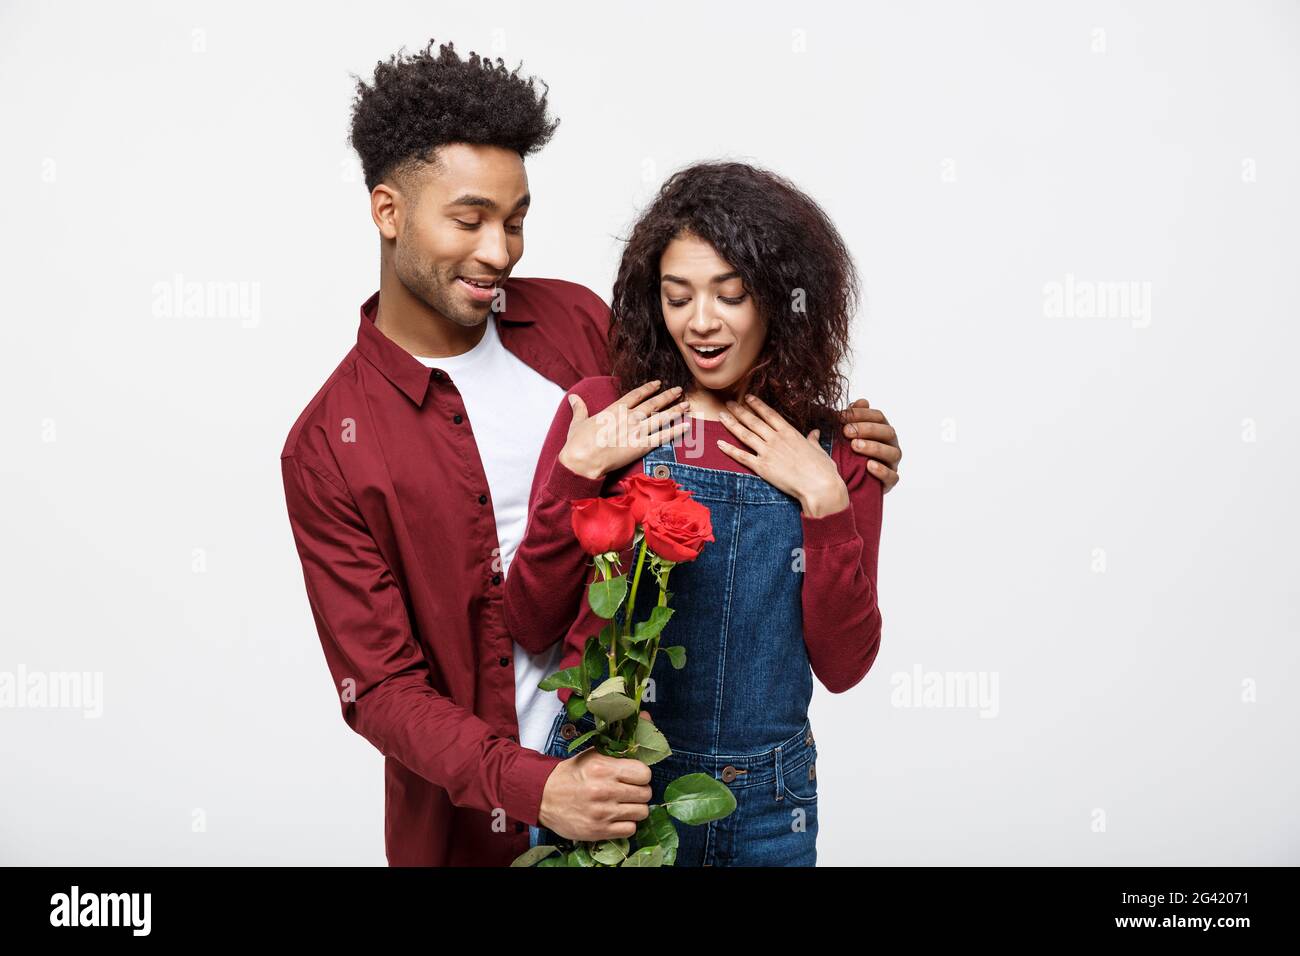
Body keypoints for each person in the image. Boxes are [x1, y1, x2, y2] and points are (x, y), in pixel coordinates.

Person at [281, 41, 903, 867]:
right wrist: (538, 787)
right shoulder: (328, 448)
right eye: (469, 220)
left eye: (517, 218)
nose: (501, 251)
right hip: (487, 819)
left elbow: (713, 391)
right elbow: (384, 691)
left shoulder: (574, 325)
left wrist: (843, 446)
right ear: (388, 211)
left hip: (683, 783)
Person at [505, 161, 889, 866]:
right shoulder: (604, 412)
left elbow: (846, 664)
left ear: (779, 299)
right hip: (611, 784)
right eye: (677, 297)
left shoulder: (838, 452)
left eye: (730, 295)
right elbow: (529, 621)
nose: (701, 323)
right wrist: (577, 473)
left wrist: (828, 504)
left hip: (770, 807)